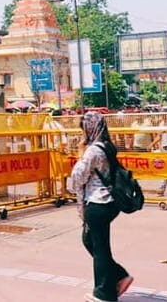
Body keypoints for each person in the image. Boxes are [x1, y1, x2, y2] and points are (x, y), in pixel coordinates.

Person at [71, 111, 133, 302]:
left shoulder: (93, 150)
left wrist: (80, 154)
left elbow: (78, 176)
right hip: (109, 202)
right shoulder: (108, 146)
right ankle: (119, 275)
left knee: (100, 249)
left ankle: (105, 293)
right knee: (90, 241)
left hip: (98, 202)